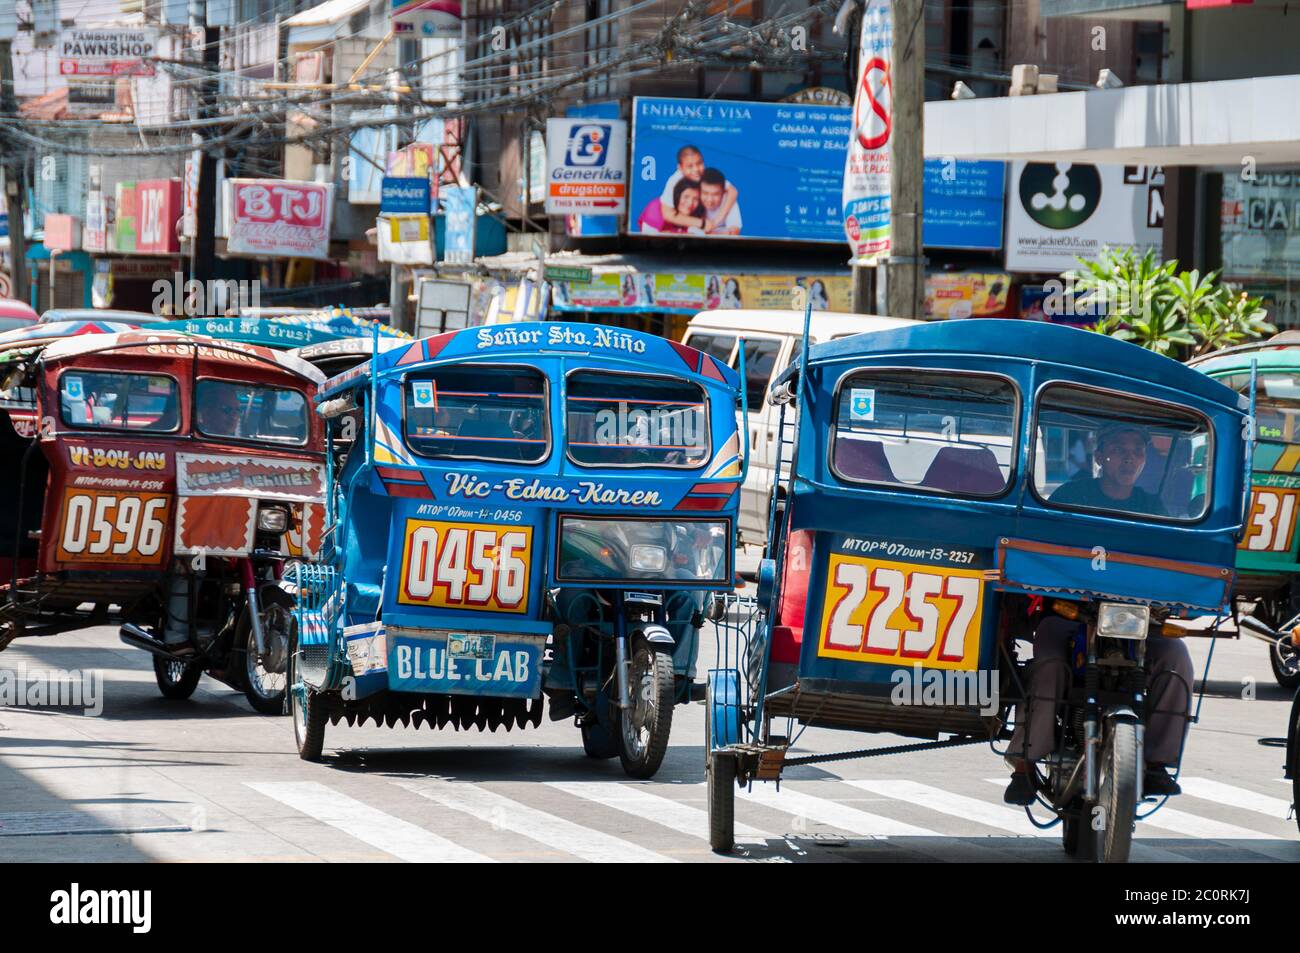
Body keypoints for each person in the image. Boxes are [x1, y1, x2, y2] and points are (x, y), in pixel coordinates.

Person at [1004, 422, 1189, 805]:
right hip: (1071, 615)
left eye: (1137, 451)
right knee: (1050, 663)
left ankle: (1156, 762)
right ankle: (1024, 762)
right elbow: (1049, 548)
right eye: (1120, 449)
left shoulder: (1151, 506)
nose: (1129, 458)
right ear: (1101, 456)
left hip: (1133, 616)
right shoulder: (1074, 494)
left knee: (1175, 659)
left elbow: (1169, 559)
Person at [658, 145, 739, 231]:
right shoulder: (674, 181)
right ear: (680, 168)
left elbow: (733, 191)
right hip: (666, 216)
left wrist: (716, 222)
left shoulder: (704, 174)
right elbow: (668, 214)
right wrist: (702, 223)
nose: (696, 169)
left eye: (699, 163)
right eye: (690, 166)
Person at [690, 168, 742, 236]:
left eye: (716, 194)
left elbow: (734, 232)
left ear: (723, 192)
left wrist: (710, 231)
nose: (710, 200)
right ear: (699, 190)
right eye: (705, 193)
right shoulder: (693, 199)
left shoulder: (728, 201)